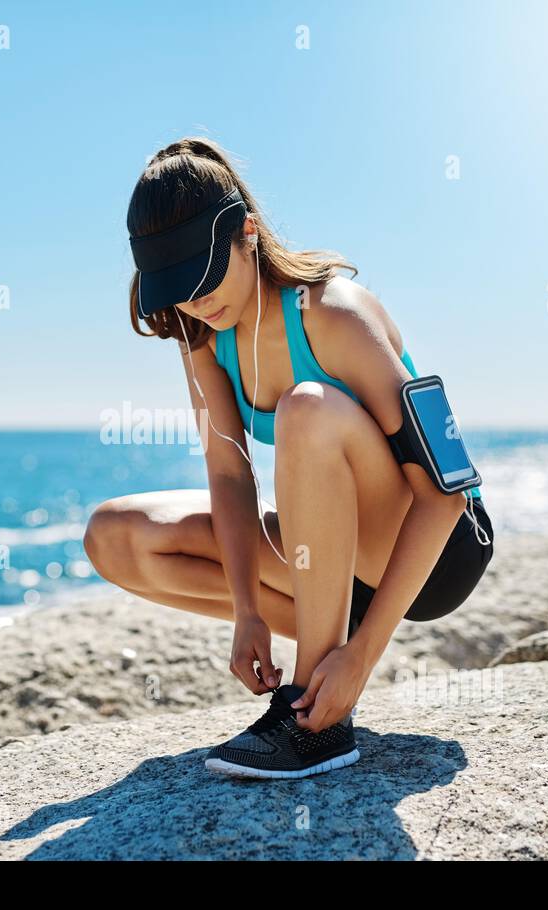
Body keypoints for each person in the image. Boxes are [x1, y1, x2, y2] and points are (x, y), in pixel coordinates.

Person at [83, 137, 494, 779]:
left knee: (306, 408)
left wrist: (363, 655)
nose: (196, 302)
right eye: (178, 289)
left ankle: (313, 723)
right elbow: (227, 471)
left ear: (247, 231)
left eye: (204, 277)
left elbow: (448, 490)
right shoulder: (200, 334)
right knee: (116, 537)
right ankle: (318, 642)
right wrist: (246, 608)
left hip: (432, 549)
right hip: (329, 564)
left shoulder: (334, 313)